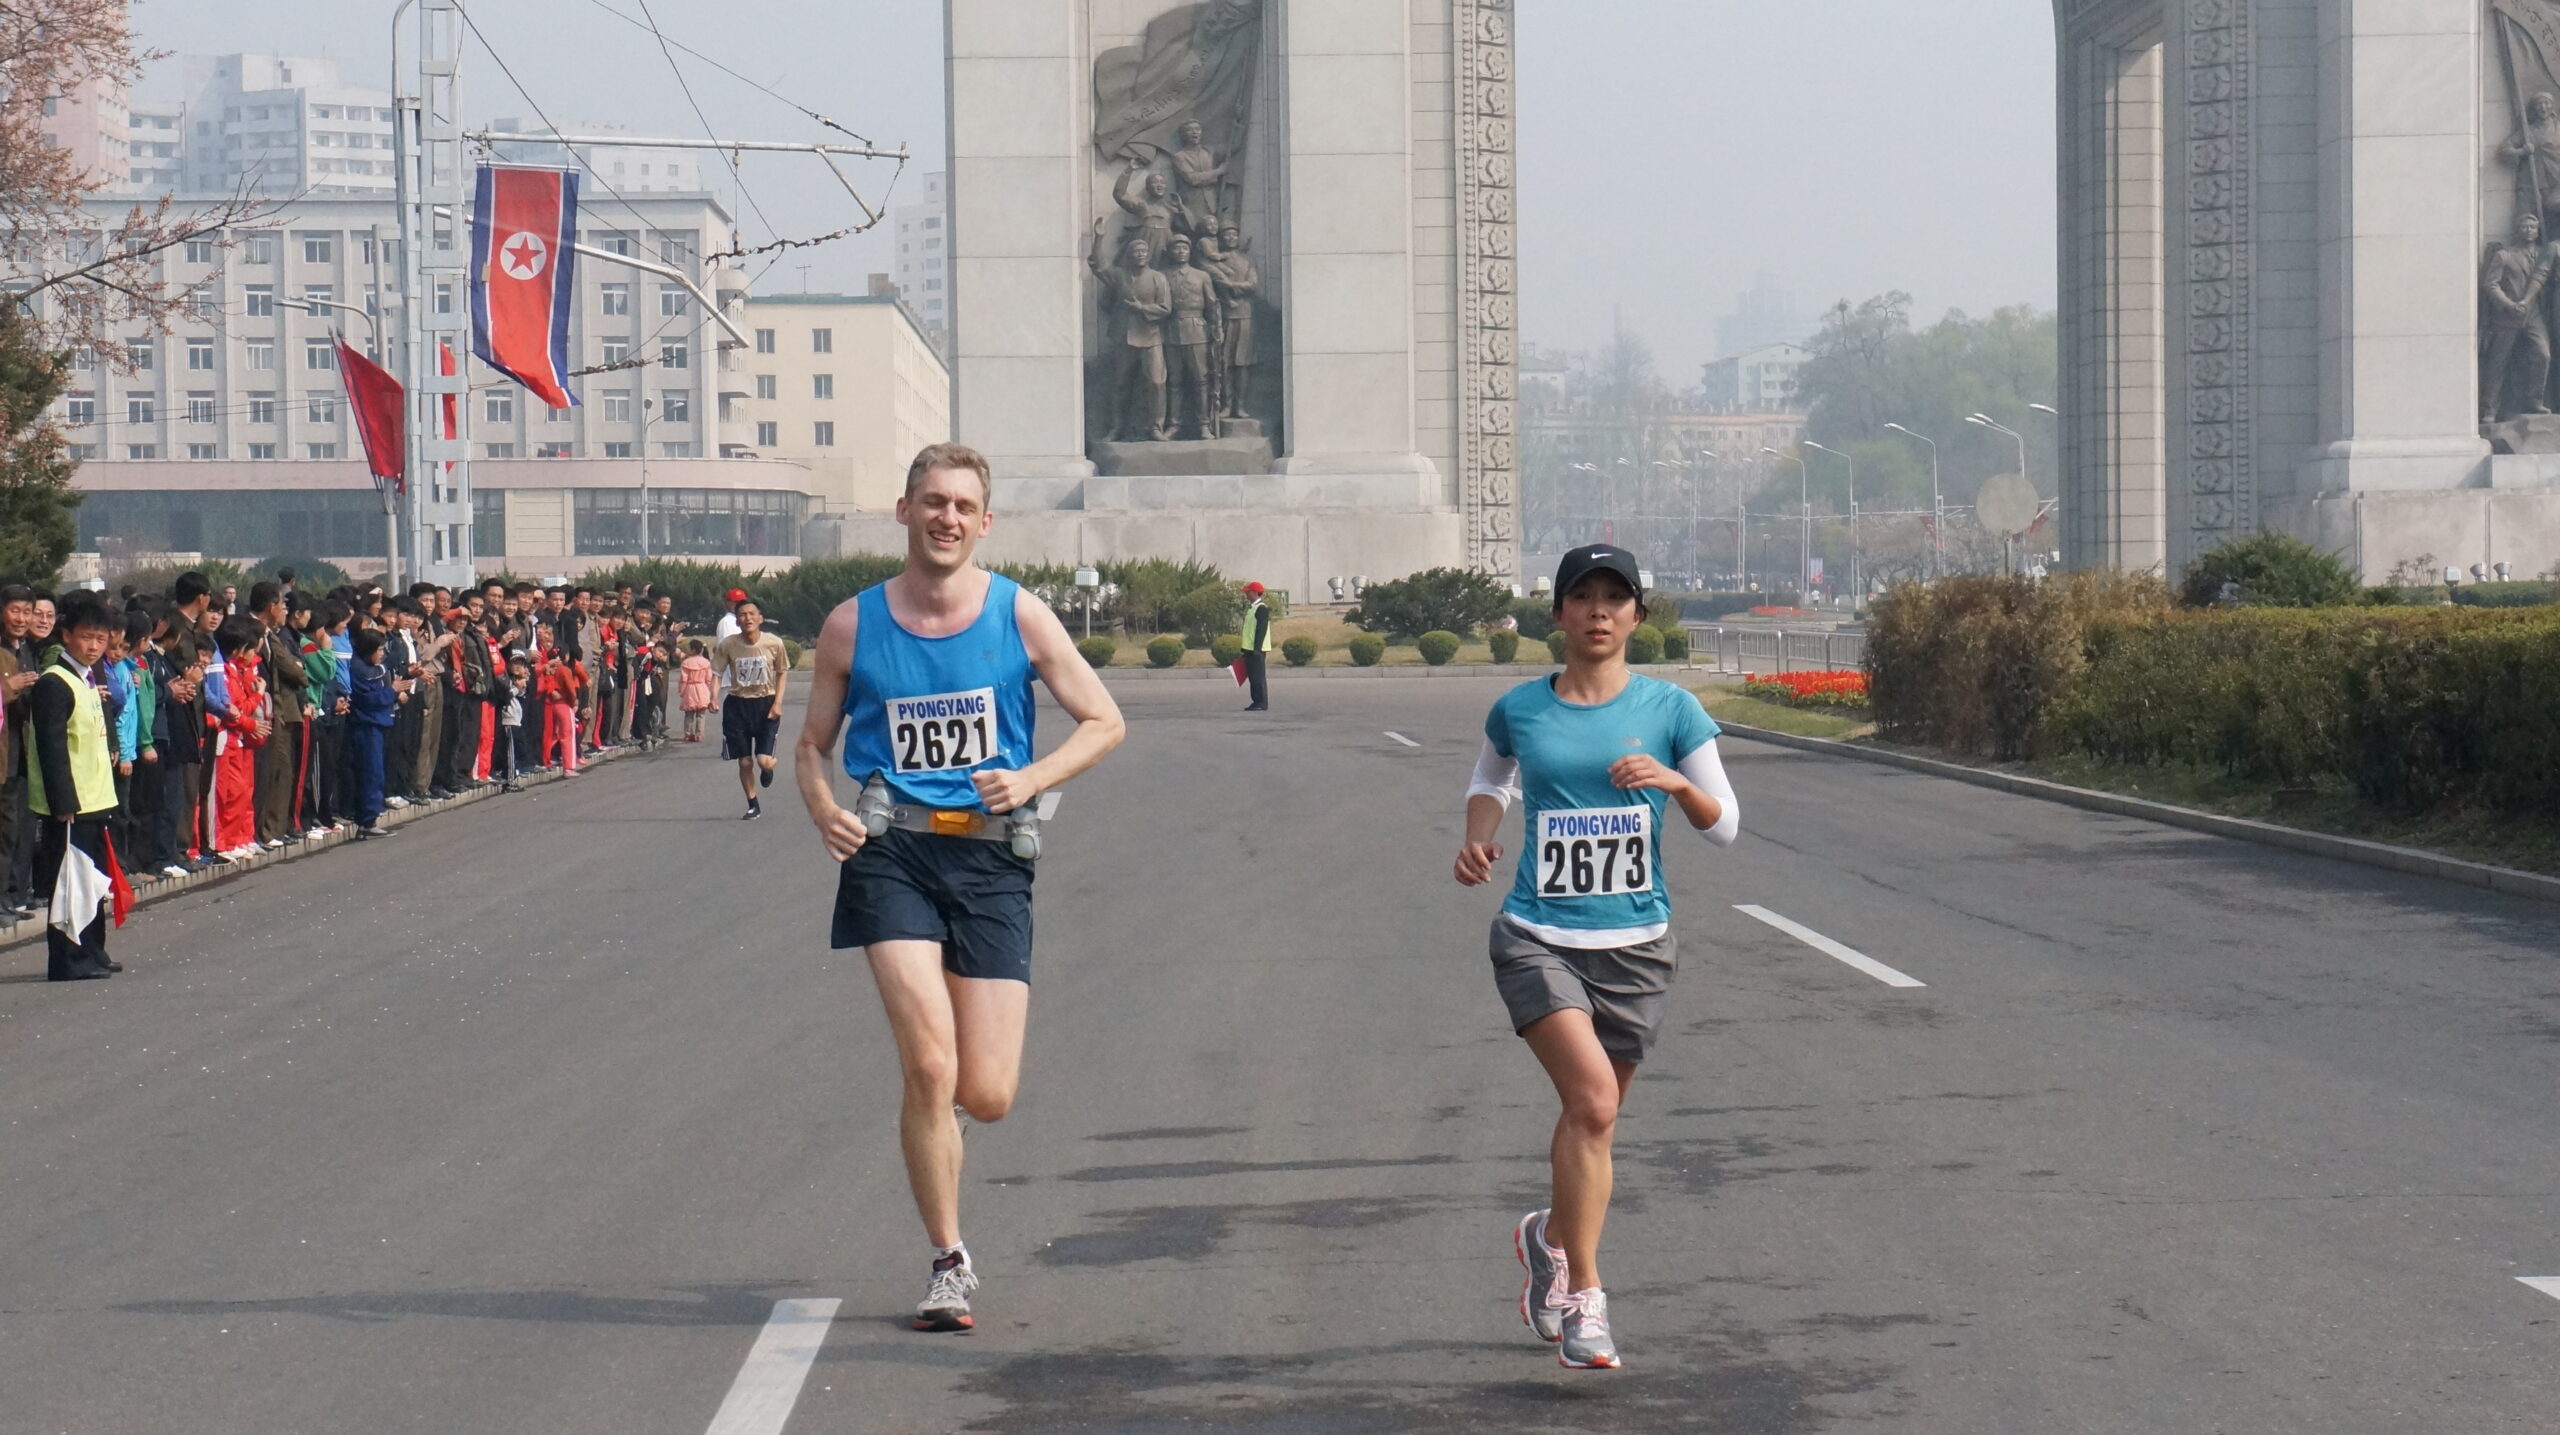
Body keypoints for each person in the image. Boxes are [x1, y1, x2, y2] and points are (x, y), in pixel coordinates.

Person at [794, 442, 1127, 1333]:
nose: (945, 516)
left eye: (962, 505)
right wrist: (824, 805)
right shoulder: (850, 625)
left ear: (984, 523)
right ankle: (948, 1261)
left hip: (990, 859)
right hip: (889, 851)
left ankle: (946, 1126)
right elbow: (811, 745)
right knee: (929, 1065)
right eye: (930, 500)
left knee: (985, 1091)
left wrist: (1032, 778)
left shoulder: (1019, 614)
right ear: (903, 511)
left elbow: (1104, 719)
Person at [1451, 544, 1741, 1371]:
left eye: (1618, 597)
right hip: (1538, 935)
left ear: (1638, 616)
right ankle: (1586, 1296)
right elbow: (1491, 777)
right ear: (1561, 614)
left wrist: (1675, 785)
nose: (1601, 610)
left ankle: (1548, 1236)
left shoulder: (1673, 708)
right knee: (1594, 1104)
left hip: (1638, 947)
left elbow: (1724, 826)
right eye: (1585, 596)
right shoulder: (1522, 708)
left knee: (1593, 1120)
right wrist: (1477, 839)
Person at [28, 596, 126, 981]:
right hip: (72, 802)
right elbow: (51, 748)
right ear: (66, 635)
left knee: (93, 881)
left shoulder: (87, 679)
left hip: (97, 797)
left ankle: (93, 949)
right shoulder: (55, 683)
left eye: (100, 639)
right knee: (70, 883)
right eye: (86, 637)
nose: (94, 646)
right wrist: (62, 800)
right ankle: (68, 959)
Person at [714, 600, 790, 820]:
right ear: (736, 620)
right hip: (737, 704)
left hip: (765, 703)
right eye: (742, 615)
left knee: (763, 760)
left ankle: (767, 769)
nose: (747, 618)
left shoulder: (774, 643)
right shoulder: (728, 644)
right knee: (745, 761)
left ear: (760, 618)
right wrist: (713, 697)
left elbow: (782, 672)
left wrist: (778, 702)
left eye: (751, 614)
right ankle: (752, 804)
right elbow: (717, 673)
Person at [345, 628, 404, 838]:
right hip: (366, 726)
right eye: (378, 649)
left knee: (377, 772)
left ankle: (369, 818)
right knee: (370, 773)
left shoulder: (376, 667)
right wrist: (392, 691)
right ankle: (366, 820)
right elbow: (369, 700)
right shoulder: (359, 669)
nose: (382, 654)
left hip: (380, 723)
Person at [1238, 581, 1274, 712]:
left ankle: (1261, 702)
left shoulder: (1261, 608)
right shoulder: (1252, 608)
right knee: (1253, 677)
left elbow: (1261, 629)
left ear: (1254, 592)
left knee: (1258, 677)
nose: (1246, 594)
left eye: (1248, 592)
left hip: (1257, 649)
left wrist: (1257, 649)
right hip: (1250, 649)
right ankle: (1256, 701)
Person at [678, 640, 716, 742]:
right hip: (702, 688)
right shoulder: (706, 662)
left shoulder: (686, 663)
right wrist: (710, 691)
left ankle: (688, 734)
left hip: (690, 689)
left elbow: (683, 679)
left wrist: (681, 691)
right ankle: (699, 734)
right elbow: (709, 679)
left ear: (693, 650)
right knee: (701, 714)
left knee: (689, 714)